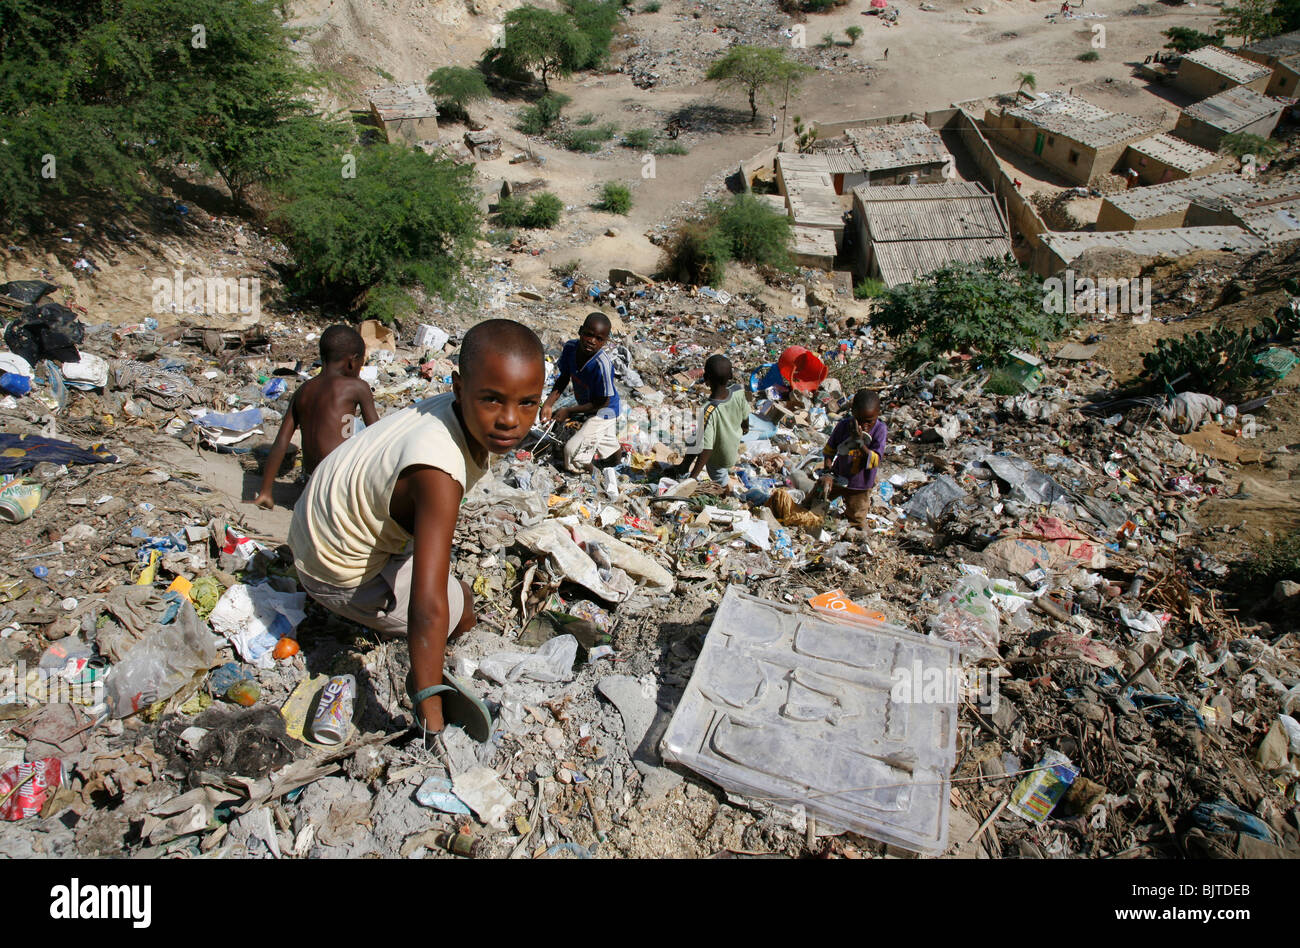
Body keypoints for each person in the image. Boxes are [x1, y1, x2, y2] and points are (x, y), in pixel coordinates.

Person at [288, 318, 546, 743]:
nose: (509, 421)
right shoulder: (438, 471)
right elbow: (427, 608)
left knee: (451, 588)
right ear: (459, 386)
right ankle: (400, 656)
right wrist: (432, 714)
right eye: (492, 400)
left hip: (313, 522)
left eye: (528, 403)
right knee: (458, 612)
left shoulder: (446, 409)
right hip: (329, 567)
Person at [254, 325, 378, 510]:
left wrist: (265, 491)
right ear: (352, 362)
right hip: (336, 484)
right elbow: (377, 433)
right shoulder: (356, 386)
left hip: (311, 482)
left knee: (352, 424)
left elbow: (281, 442)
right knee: (359, 428)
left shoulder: (303, 390)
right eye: (361, 362)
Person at [539, 312, 623, 473]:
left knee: (571, 452)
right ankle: (615, 461)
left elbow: (602, 402)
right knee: (604, 439)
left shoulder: (602, 365)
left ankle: (591, 473)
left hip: (605, 410)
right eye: (589, 335)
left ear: (605, 342)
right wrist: (548, 404)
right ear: (580, 331)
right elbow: (564, 377)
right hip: (588, 405)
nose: (592, 341)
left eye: (599, 339)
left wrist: (568, 411)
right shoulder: (570, 348)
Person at [813, 389, 887, 529]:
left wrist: (860, 443)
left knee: (857, 520)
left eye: (869, 421)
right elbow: (829, 450)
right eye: (859, 420)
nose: (863, 425)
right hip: (837, 478)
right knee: (814, 504)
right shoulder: (843, 426)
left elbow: (875, 460)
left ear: (878, 414)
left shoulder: (879, 430)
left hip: (861, 485)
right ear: (853, 412)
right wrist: (828, 473)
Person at [677, 354, 749, 488]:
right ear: (731, 376)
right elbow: (745, 417)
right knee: (696, 436)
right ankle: (683, 467)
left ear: (705, 379)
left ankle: (728, 490)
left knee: (720, 477)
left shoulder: (708, 410)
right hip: (731, 446)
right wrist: (746, 427)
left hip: (720, 458)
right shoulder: (738, 392)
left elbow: (706, 449)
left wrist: (692, 479)